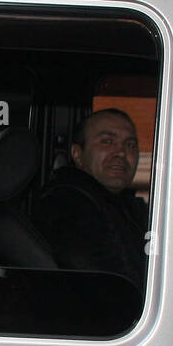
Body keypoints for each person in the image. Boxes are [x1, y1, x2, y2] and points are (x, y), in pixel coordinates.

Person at [30, 108, 149, 290]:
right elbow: (105, 285)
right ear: (77, 154)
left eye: (130, 145)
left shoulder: (122, 205)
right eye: (107, 142)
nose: (122, 153)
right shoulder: (68, 204)